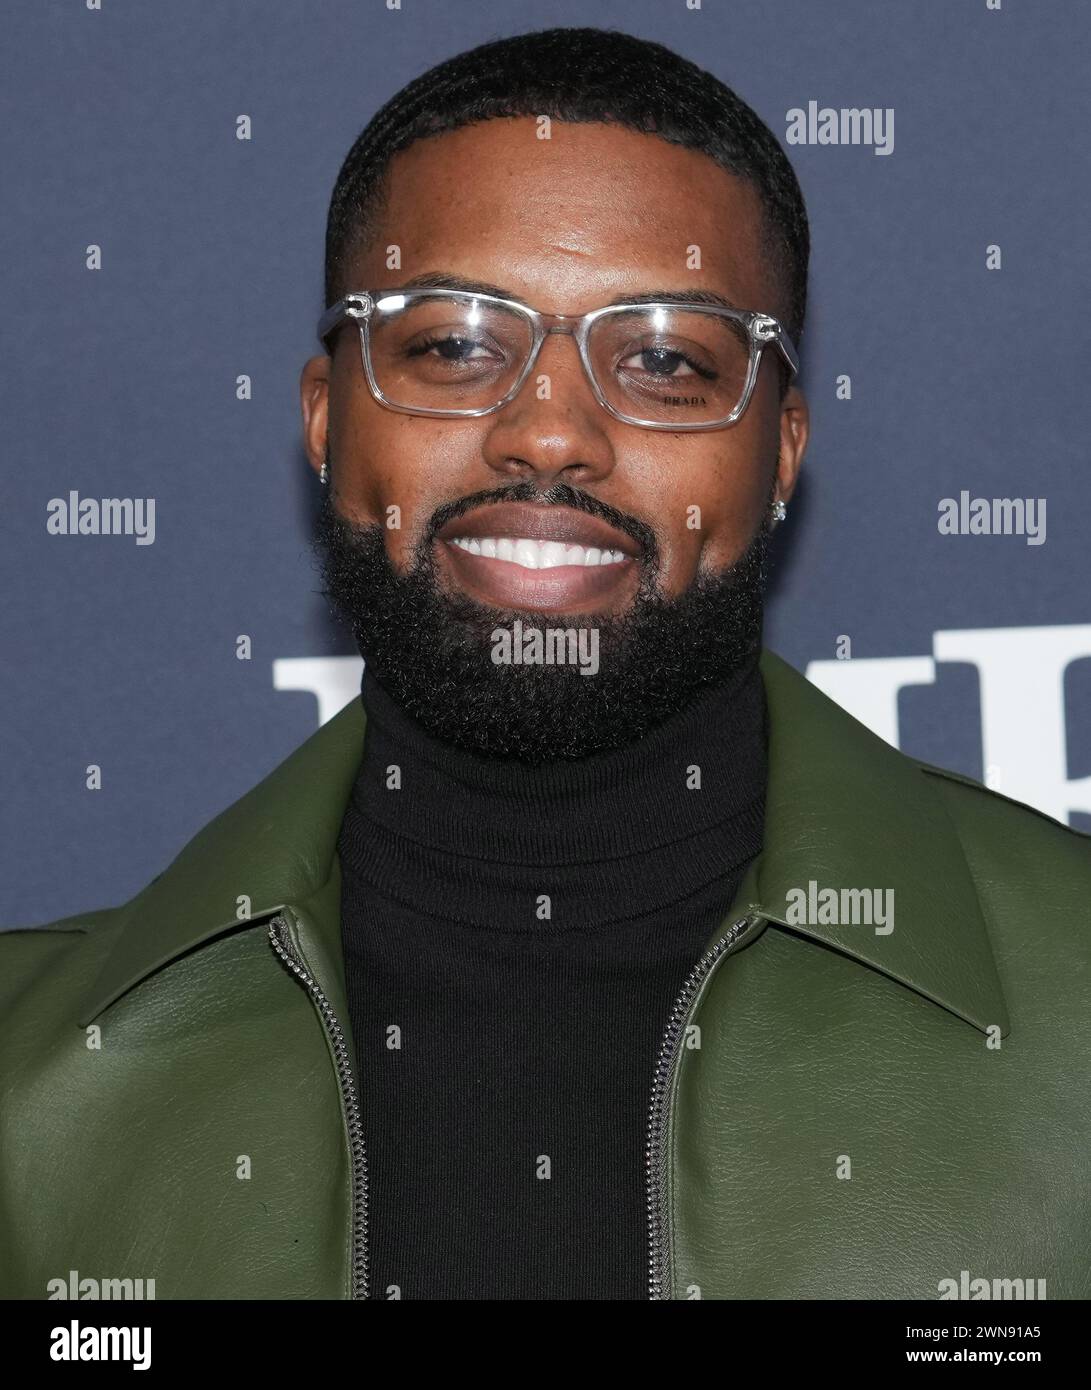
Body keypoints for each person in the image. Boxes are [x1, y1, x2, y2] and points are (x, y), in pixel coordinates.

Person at [3, 26, 1089, 1303]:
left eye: (667, 360)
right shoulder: (33, 1085)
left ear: (780, 452)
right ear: (323, 416)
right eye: (454, 344)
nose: (548, 431)